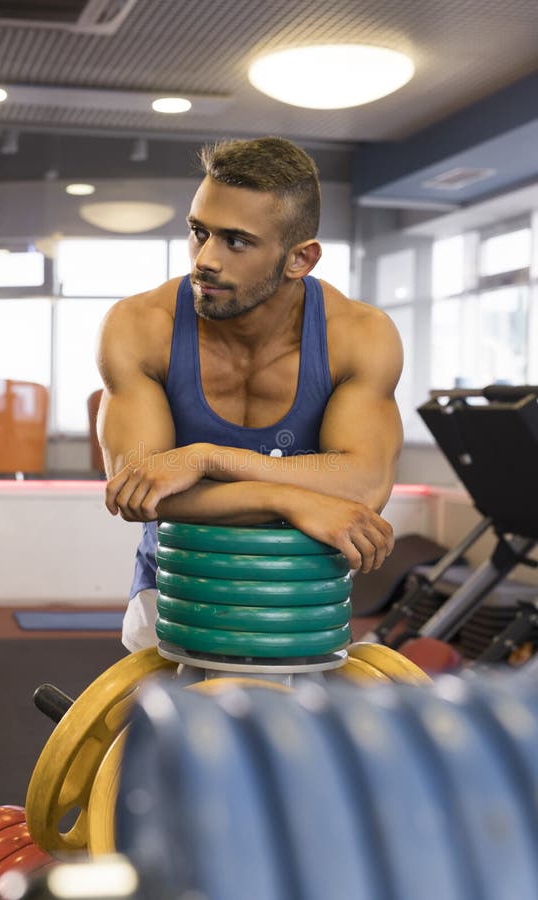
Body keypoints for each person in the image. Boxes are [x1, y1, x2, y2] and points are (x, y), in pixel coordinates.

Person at [96, 136, 403, 652]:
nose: (206, 260)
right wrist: (292, 497)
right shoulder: (139, 326)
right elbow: (137, 492)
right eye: (199, 232)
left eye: (236, 241)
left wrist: (204, 458)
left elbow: (362, 486)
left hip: (304, 601)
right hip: (173, 594)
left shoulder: (359, 335)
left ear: (299, 259)